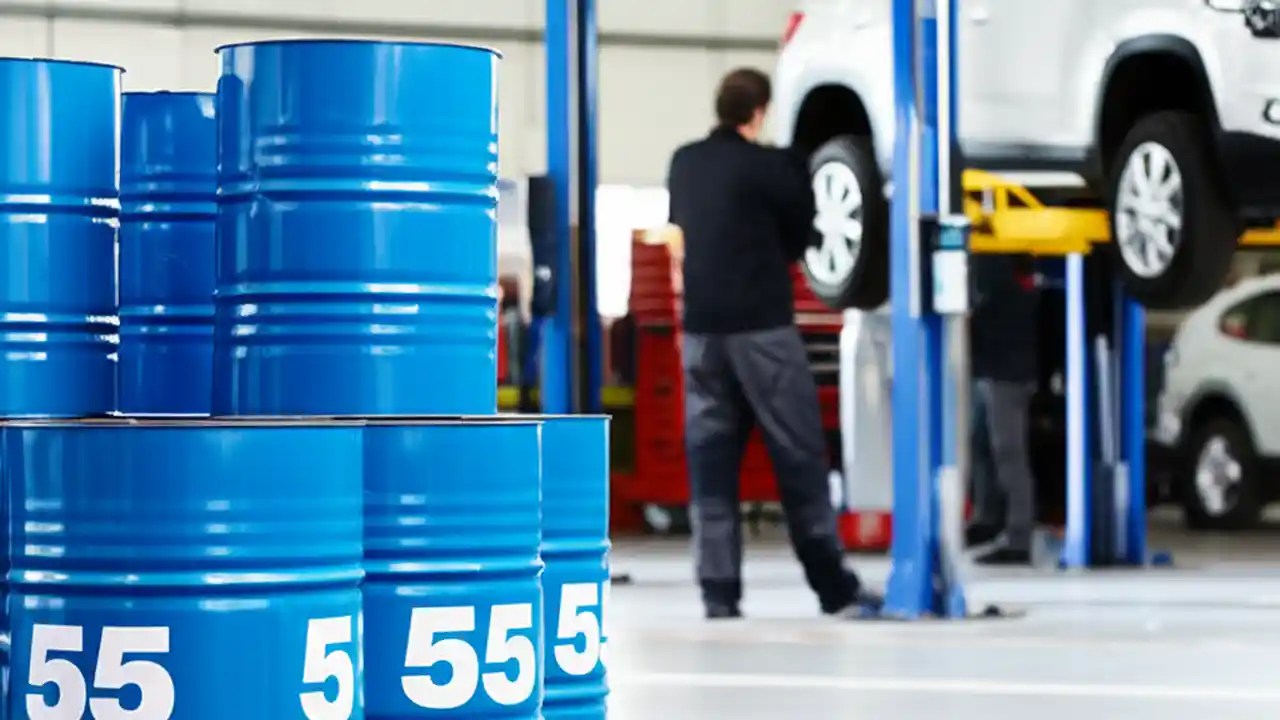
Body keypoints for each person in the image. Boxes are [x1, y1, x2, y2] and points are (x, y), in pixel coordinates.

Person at [666, 67, 880, 619]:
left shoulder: (684, 163)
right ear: (759, 112)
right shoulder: (773, 167)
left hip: (700, 337)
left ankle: (718, 594)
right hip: (762, 331)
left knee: (709, 464)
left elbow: (684, 228)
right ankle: (833, 588)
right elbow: (804, 235)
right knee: (800, 458)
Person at [968, 254, 1040, 565]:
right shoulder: (1007, 268)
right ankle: (988, 519)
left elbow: (987, 312)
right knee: (981, 445)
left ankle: (1018, 538)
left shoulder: (1000, 268)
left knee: (1009, 453)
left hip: (1007, 374)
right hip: (994, 370)